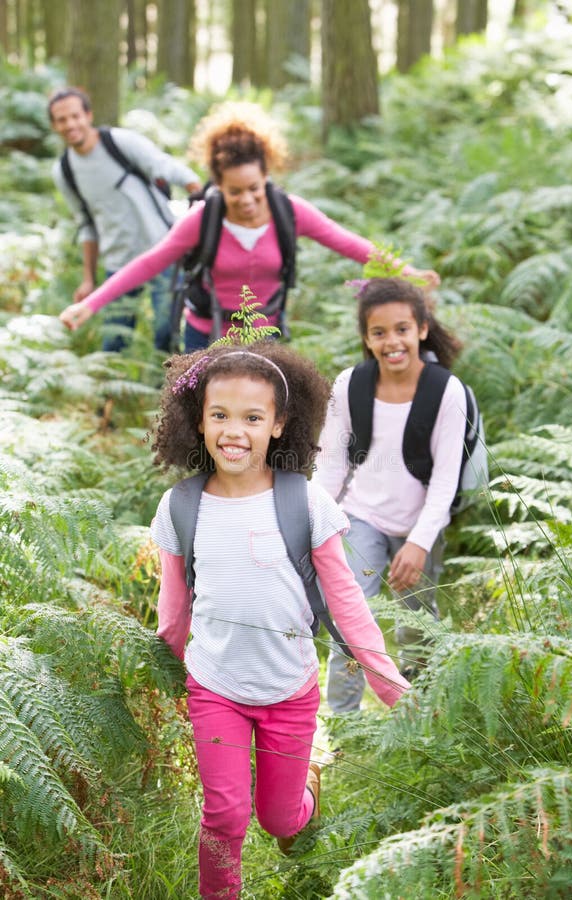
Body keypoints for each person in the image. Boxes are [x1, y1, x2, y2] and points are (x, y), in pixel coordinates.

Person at [149, 341, 409, 898]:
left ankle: (305, 799)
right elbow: (172, 612)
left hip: (289, 690)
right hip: (214, 685)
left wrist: (389, 686)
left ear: (279, 424)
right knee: (224, 814)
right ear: (197, 422)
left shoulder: (305, 502)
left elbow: (346, 603)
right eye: (219, 415)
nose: (233, 431)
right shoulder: (181, 506)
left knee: (279, 819)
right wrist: (157, 682)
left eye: (252, 417)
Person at [59, 101, 439, 352]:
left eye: (254, 189)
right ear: (218, 186)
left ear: (267, 177)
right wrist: (91, 304)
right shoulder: (201, 220)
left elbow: (351, 245)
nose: (246, 200)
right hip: (205, 337)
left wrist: (408, 274)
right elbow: (148, 263)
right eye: (234, 191)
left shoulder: (290, 211)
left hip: (265, 336)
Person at [313, 277, 466, 713]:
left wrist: (418, 544)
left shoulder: (445, 391)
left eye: (402, 329)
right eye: (379, 333)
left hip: (422, 525)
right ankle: (345, 725)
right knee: (352, 615)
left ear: (421, 329)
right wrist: (314, 521)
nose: (391, 341)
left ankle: (419, 710)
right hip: (360, 517)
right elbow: (330, 464)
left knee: (416, 623)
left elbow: (445, 479)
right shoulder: (350, 385)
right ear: (366, 337)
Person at [49, 86, 202, 352]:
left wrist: (200, 196)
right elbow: (86, 224)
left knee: (167, 334)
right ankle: (113, 394)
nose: (70, 124)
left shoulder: (120, 142)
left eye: (75, 116)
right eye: (61, 120)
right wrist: (88, 278)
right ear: (54, 126)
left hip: (161, 251)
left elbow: (165, 166)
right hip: (117, 261)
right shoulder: (65, 171)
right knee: (114, 342)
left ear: (88, 115)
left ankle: (168, 390)